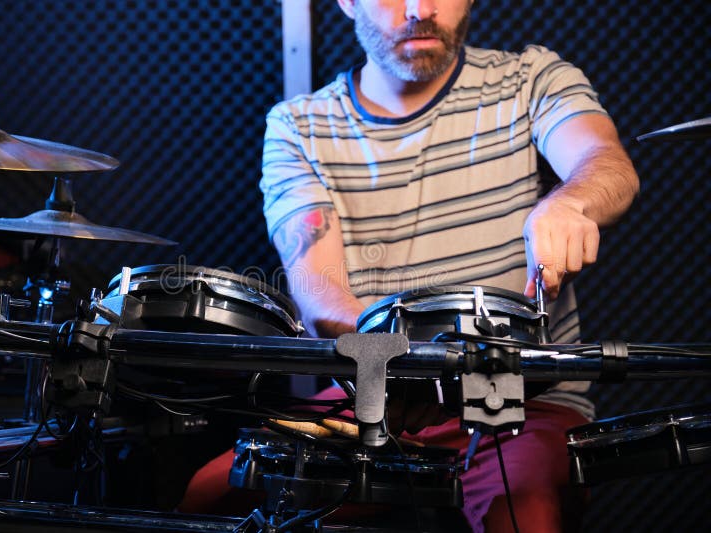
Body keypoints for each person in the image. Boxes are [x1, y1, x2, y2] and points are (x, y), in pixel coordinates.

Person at [180, 1, 640, 531]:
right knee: (213, 494)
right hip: (376, 393)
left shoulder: (532, 79)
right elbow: (321, 300)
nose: (420, 10)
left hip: (516, 400)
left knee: (524, 511)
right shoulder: (298, 127)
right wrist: (409, 372)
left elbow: (605, 164)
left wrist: (571, 201)